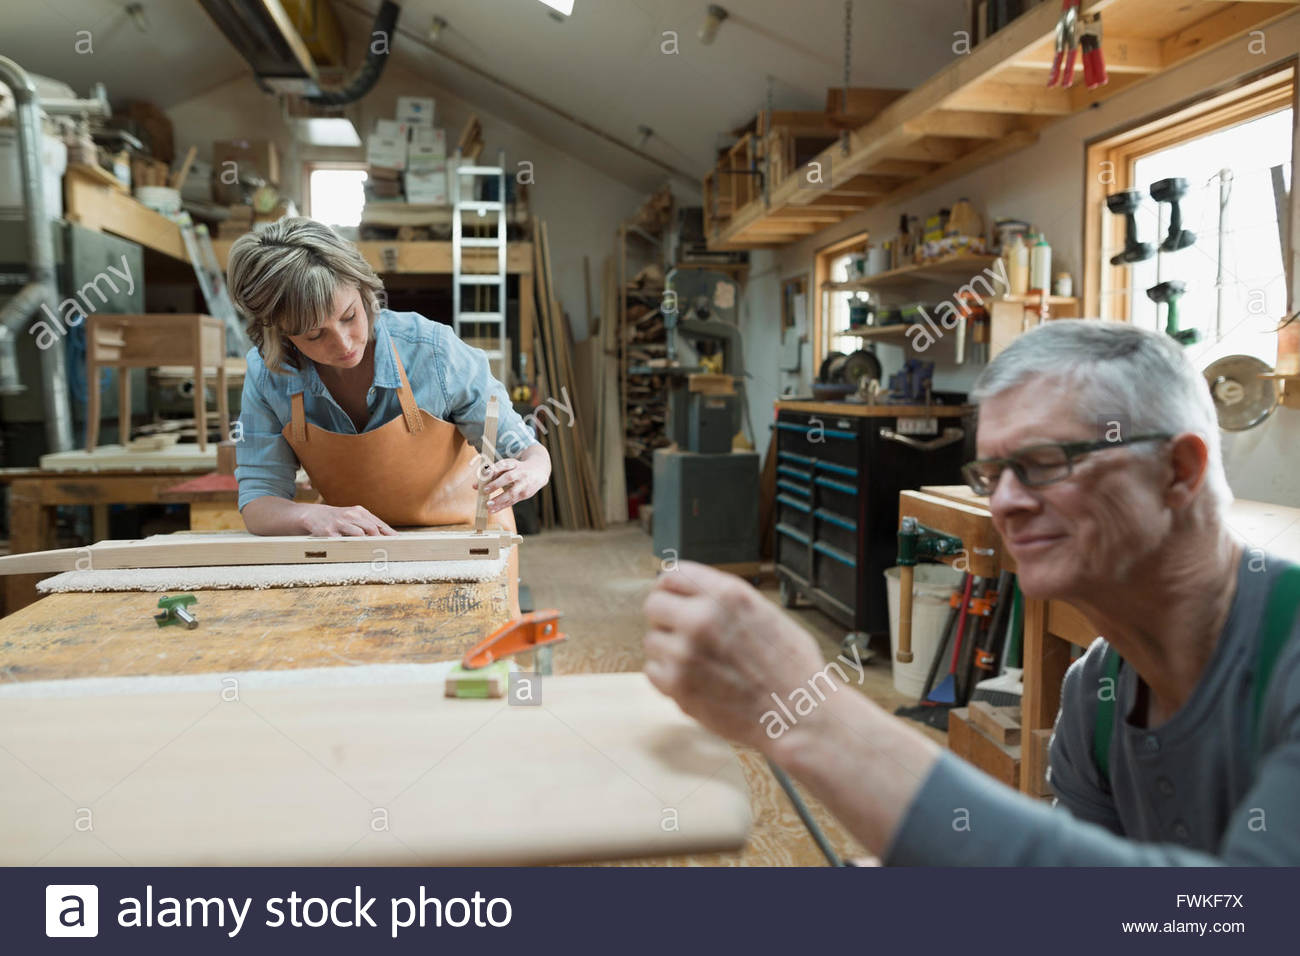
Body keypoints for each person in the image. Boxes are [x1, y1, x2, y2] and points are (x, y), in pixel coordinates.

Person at [644, 320, 1300, 865]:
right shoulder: (1094, 697)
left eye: (1044, 464)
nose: (1006, 503)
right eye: (991, 473)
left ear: (1178, 471)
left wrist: (809, 713)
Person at [226, 217, 549, 537]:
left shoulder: (433, 351)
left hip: (463, 540)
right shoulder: (270, 373)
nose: (344, 343)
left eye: (349, 316)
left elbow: (526, 451)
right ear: (279, 333)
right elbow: (259, 502)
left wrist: (531, 470)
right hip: (357, 546)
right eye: (314, 335)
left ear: (362, 287)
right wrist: (309, 515)